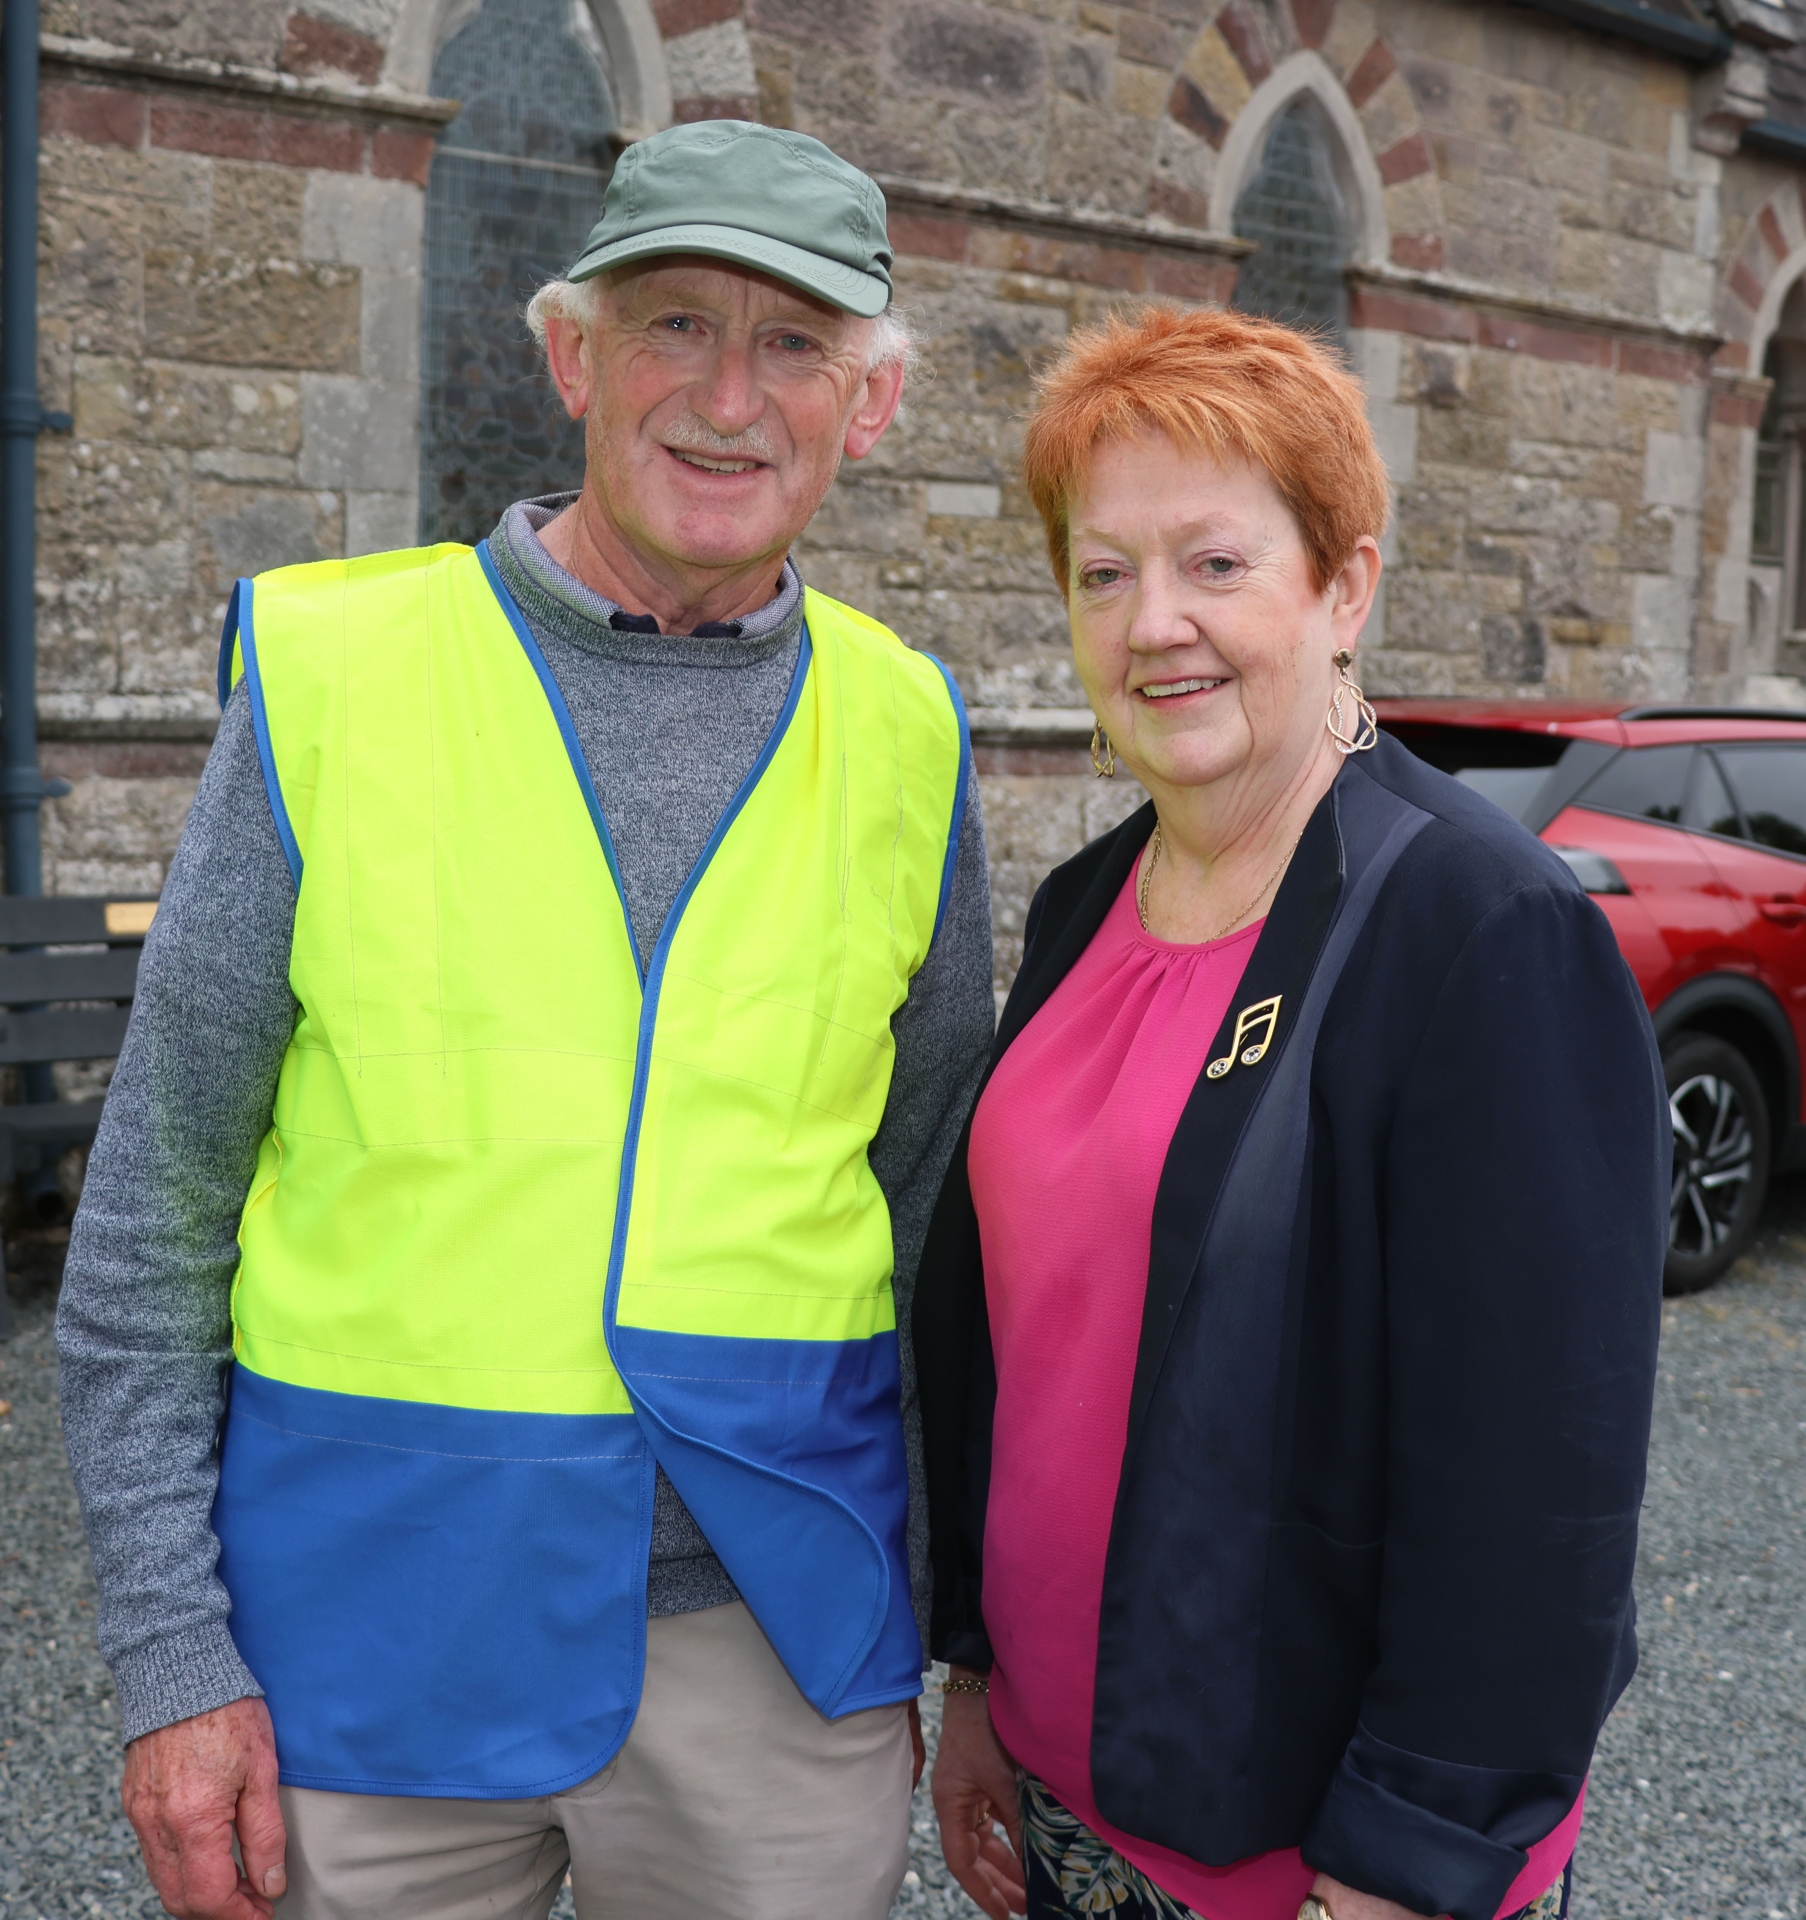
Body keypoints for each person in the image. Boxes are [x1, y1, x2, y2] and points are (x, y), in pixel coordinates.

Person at [56, 120, 995, 1920]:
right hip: (365, 1639)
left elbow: (931, 1219)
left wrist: (957, 1645)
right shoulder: (332, 678)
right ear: (571, 355)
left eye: (794, 344)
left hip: (777, 1650)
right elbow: (154, 1214)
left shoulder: (911, 734)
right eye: (672, 328)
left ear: (865, 408)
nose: (729, 396)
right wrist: (176, 1665)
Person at [916, 306, 1667, 1920]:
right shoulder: (1081, 905)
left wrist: (1407, 1860)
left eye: (1213, 563)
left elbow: (1538, 1482)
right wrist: (972, 1677)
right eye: (1101, 573)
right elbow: (1021, 1339)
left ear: (1344, 587)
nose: (1152, 624)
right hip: (1066, 1786)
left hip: (1302, 1853)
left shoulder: (1479, 931)